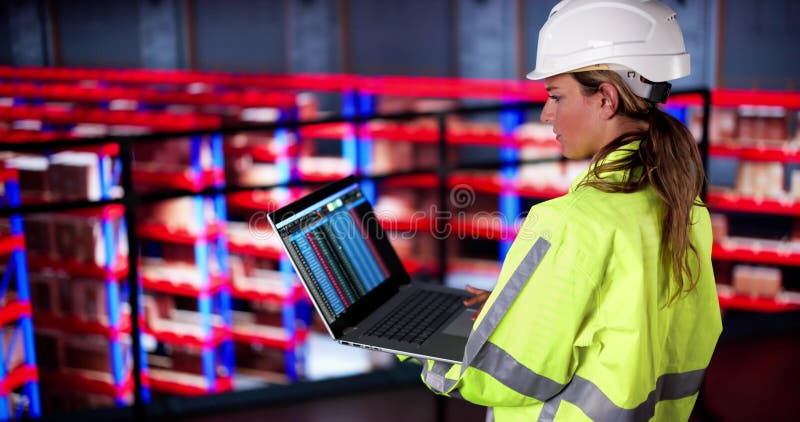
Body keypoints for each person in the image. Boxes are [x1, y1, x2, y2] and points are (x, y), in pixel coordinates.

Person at [413, 1, 723, 420]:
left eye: (556, 96)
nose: (546, 114)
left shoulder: (567, 222)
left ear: (607, 99)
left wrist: (408, 340)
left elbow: (499, 375)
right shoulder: (686, 205)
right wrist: (522, 307)